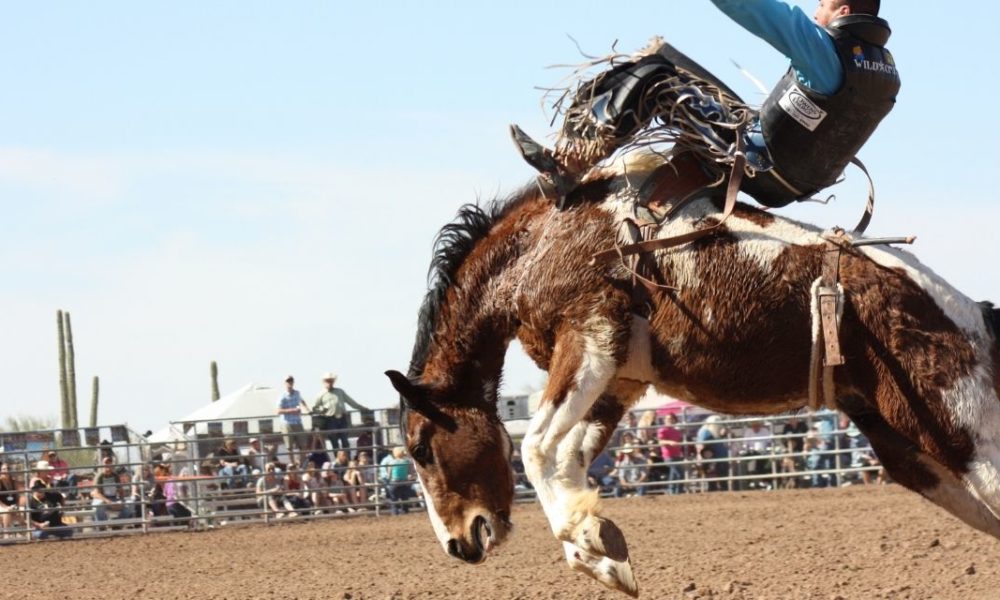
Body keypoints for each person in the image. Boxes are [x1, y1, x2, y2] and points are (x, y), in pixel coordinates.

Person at [511, 0, 899, 212]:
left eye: (822, 5)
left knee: (656, 75)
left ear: (843, 13)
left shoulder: (825, 52)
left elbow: (756, 9)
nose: (816, 13)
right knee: (668, 57)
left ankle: (569, 163)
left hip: (758, 165)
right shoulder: (883, 69)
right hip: (795, 179)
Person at [311, 373, 370, 451]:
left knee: (344, 440)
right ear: (324, 382)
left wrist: (362, 408)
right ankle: (337, 460)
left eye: (331, 381)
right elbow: (314, 408)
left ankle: (347, 459)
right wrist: (322, 409)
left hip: (342, 418)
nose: (329, 382)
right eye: (327, 381)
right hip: (330, 420)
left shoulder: (340, 391)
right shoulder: (321, 394)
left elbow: (351, 402)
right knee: (334, 442)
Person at [277, 375, 311, 467]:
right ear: (285, 383)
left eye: (291, 381)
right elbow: (278, 411)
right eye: (288, 381)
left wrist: (307, 409)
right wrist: (292, 410)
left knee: (303, 445)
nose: (290, 383)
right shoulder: (282, 396)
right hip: (287, 423)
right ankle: (292, 464)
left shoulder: (297, 393)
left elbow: (302, 400)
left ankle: (301, 464)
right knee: (289, 447)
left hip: (298, 422)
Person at [91, 457, 135, 524]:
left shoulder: (115, 475)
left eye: (110, 463)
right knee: (98, 505)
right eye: (106, 463)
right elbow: (96, 493)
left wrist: (122, 500)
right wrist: (108, 501)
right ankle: (102, 525)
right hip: (103, 499)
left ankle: (118, 523)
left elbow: (120, 490)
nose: (108, 465)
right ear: (103, 465)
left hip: (114, 498)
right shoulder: (99, 476)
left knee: (130, 503)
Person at [696, 416, 731, 492]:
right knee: (713, 480)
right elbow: (701, 445)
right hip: (711, 458)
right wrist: (703, 458)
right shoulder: (705, 431)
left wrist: (723, 434)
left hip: (720, 457)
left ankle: (724, 492)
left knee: (723, 477)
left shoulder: (713, 431)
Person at [656, 413, 686, 494]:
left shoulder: (676, 431)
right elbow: (660, 441)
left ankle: (672, 492)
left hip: (677, 454)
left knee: (674, 474)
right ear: (665, 420)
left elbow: (679, 440)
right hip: (668, 455)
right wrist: (670, 442)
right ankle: (678, 491)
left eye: (672, 419)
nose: (670, 421)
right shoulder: (662, 430)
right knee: (679, 474)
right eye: (668, 419)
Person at [382, 447, 414, 515]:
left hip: (394, 482)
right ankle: (405, 511)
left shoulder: (392, 462)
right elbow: (410, 472)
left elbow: (389, 474)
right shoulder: (407, 462)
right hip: (404, 482)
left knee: (394, 498)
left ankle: (395, 512)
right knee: (404, 498)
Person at [0, 462, 21, 537]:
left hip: (12, 504)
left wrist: (17, 505)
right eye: (4, 469)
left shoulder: (14, 482)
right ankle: (6, 534)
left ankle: (19, 532)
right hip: (2, 505)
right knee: (7, 511)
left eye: (8, 468)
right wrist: (6, 507)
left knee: (21, 509)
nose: (6, 470)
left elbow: (18, 496)